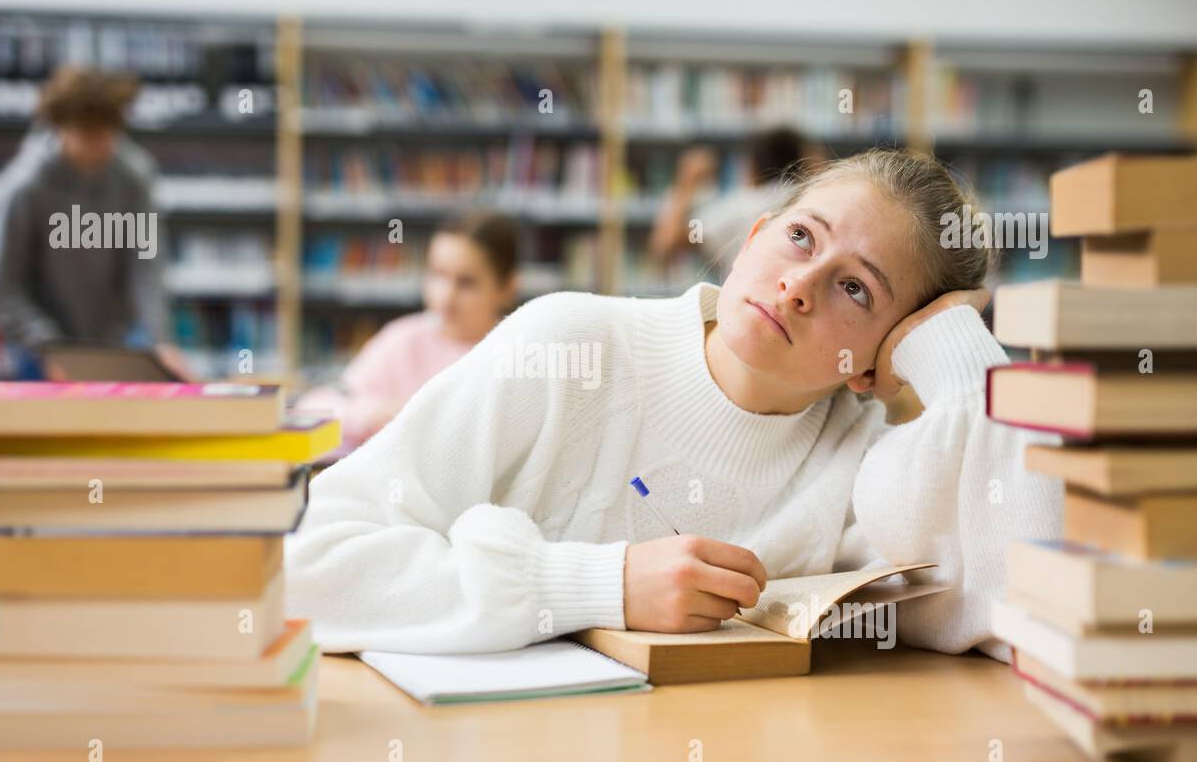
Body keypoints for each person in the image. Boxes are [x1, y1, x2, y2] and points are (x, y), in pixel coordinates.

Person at [285, 148, 1063, 662]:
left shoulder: (864, 460)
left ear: (876, 363)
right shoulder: (567, 344)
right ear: (751, 236)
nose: (798, 285)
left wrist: (960, 357)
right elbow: (307, 568)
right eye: (799, 238)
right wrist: (597, 587)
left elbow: (1029, 612)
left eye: (855, 288)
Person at [0, 66, 189, 379]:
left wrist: (161, 340)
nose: (100, 144)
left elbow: (146, 266)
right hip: (39, 349)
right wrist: (48, 346)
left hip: (115, 343)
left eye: (108, 133)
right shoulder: (24, 187)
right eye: (88, 134)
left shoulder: (135, 179)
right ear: (60, 127)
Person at [297, 211, 520, 454]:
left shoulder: (518, 355)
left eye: (466, 282)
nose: (446, 296)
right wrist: (367, 413)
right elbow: (312, 409)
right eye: (438, 274)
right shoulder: (403, 339)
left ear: (507, 288)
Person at [649, 128, 814, 283]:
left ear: (753, 166)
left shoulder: (742, 206)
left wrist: (686, 183)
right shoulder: (811, 200)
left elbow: (666, 245)